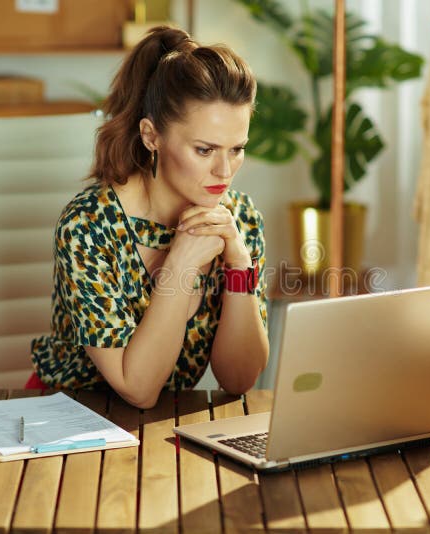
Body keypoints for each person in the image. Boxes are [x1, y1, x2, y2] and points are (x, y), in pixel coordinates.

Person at [29, 26, 269, 409]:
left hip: (162, 427)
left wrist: (239, 263)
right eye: (205, 150)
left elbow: (239, 379)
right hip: (65, 420)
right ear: (151, 136)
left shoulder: (239, 219)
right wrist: (182, 261)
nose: (225, 171)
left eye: (237, 149)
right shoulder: (88, 226)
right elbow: (137, 389)